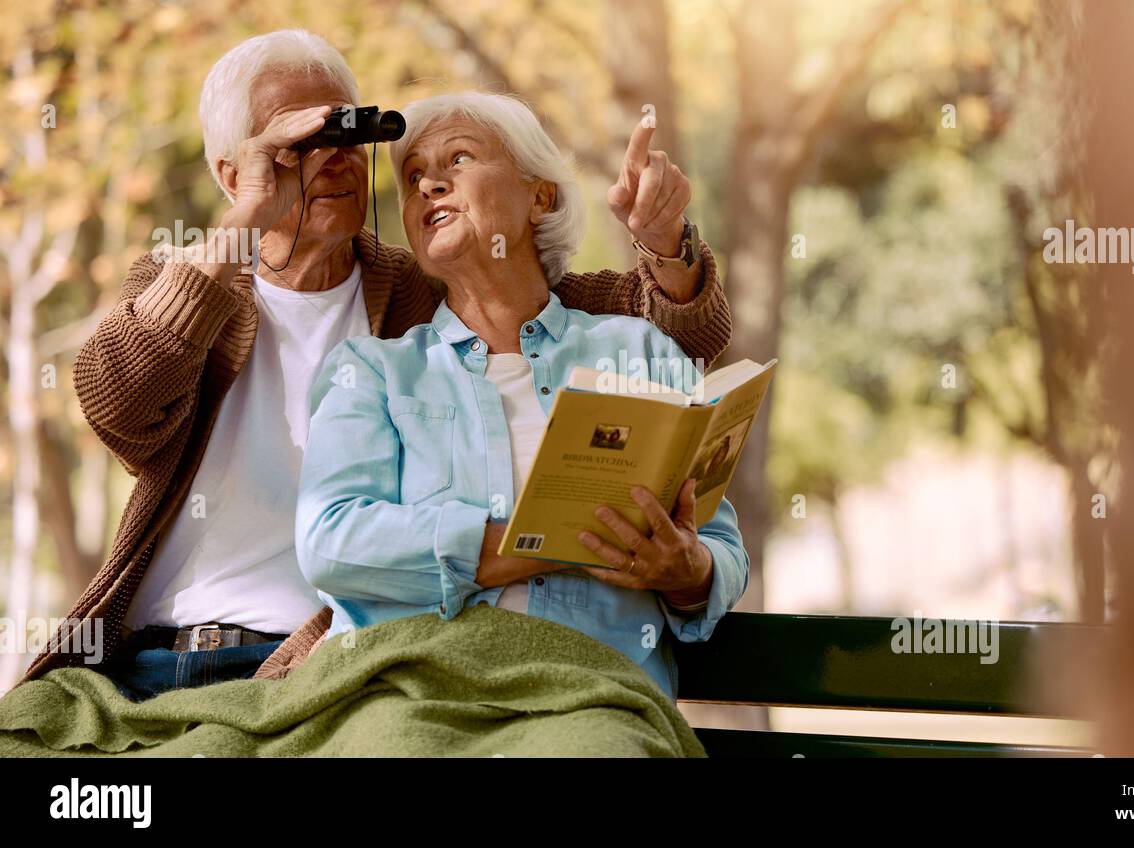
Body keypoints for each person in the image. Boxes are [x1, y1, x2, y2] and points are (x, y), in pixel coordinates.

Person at [17, 29, 732, 699]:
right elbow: (117, 404)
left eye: (348, 132)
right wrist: (246, 221)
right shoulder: (187, 284)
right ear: (232, 171)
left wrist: (666, 246)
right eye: (298, 142)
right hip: (154, 654)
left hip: (305, 666)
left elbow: (659, 326)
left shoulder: (427, 288)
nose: (334, 157)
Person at [295, 92, 749, 698]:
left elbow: (721, 549)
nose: (429, 183)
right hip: (415, 692)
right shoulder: (373, 371)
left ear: (540, 195)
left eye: (458, 159)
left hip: (594, 691)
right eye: (412, 177)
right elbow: (332, 542)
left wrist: (688, 572)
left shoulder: (635, 353)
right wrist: (539, 544)